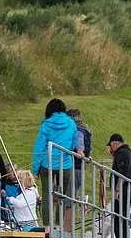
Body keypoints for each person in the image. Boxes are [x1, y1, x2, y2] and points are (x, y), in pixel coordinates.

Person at [31, 98, 77, 230]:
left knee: (46, 195)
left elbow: (39, 147)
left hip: (47, 164)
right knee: (61, 195)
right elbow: (73, 144)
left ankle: (47, 227)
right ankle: (58, 226)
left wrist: (35, 169)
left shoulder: (45, 125)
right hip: (65, 164)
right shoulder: (71, 123)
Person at [107, 133, 131, 238]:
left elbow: (122, 173)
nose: (110, 148)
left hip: (122, 191)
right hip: (127, 189)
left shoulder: (122, 153)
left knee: (119, 216)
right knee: (122, 216)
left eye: (111, 145)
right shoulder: (128, 152)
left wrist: (117, 190)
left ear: (115, 143)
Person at [67, 108, 92, 193]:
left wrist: (80, 152)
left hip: (74, 167)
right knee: (71, 194)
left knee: (68, 196)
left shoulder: (77, 130)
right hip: (79, 167)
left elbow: (79, 142)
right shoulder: (84, 130)